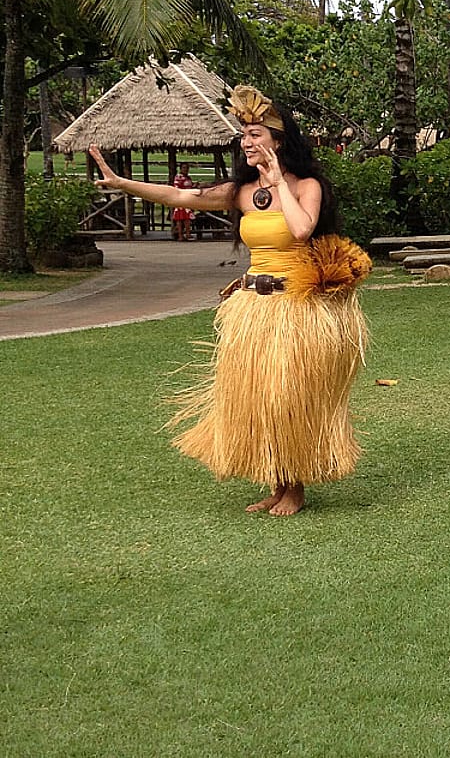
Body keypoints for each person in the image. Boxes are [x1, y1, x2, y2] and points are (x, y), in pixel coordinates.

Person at [88, 85, 371, 516]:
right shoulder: (240, 191)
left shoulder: (307, 186)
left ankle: (296, 486)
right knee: (257, 397)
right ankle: (277, 483)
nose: (247, 141)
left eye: (256, 133)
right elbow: (182, 197)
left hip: (295, 309)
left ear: (278, 140)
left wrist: (280, 184)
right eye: (244, 135)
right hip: (253, 310)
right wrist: (123, 183)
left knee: (285, 397)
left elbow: (300, 230)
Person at [171, 162, 195, 240]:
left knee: (187, 218)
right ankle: (180, 235)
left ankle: (188, 233)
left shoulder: (188, 178)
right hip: (180, 200)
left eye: (187, 168)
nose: (186, 170)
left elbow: (190, 187)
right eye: (184, 168)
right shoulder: (178, 177)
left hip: (187, 200)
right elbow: (177, 188)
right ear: (180, 168)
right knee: (179, 219)